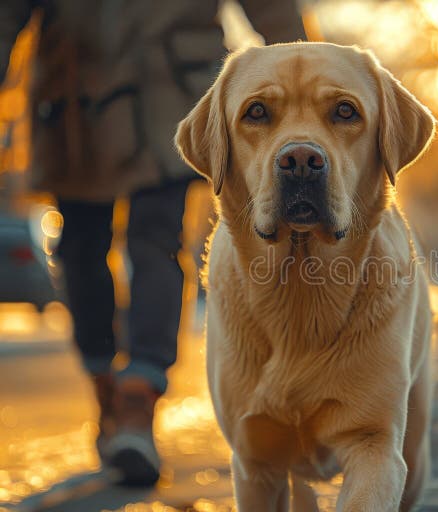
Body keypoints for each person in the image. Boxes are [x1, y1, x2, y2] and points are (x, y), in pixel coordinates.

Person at [0, 0, 306, 486]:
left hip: (170, 87)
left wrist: (300, 75)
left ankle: (139, 395)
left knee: (157, 239)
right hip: (77, 93)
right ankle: (105, 383)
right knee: (80, 245)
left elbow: (272, 7)